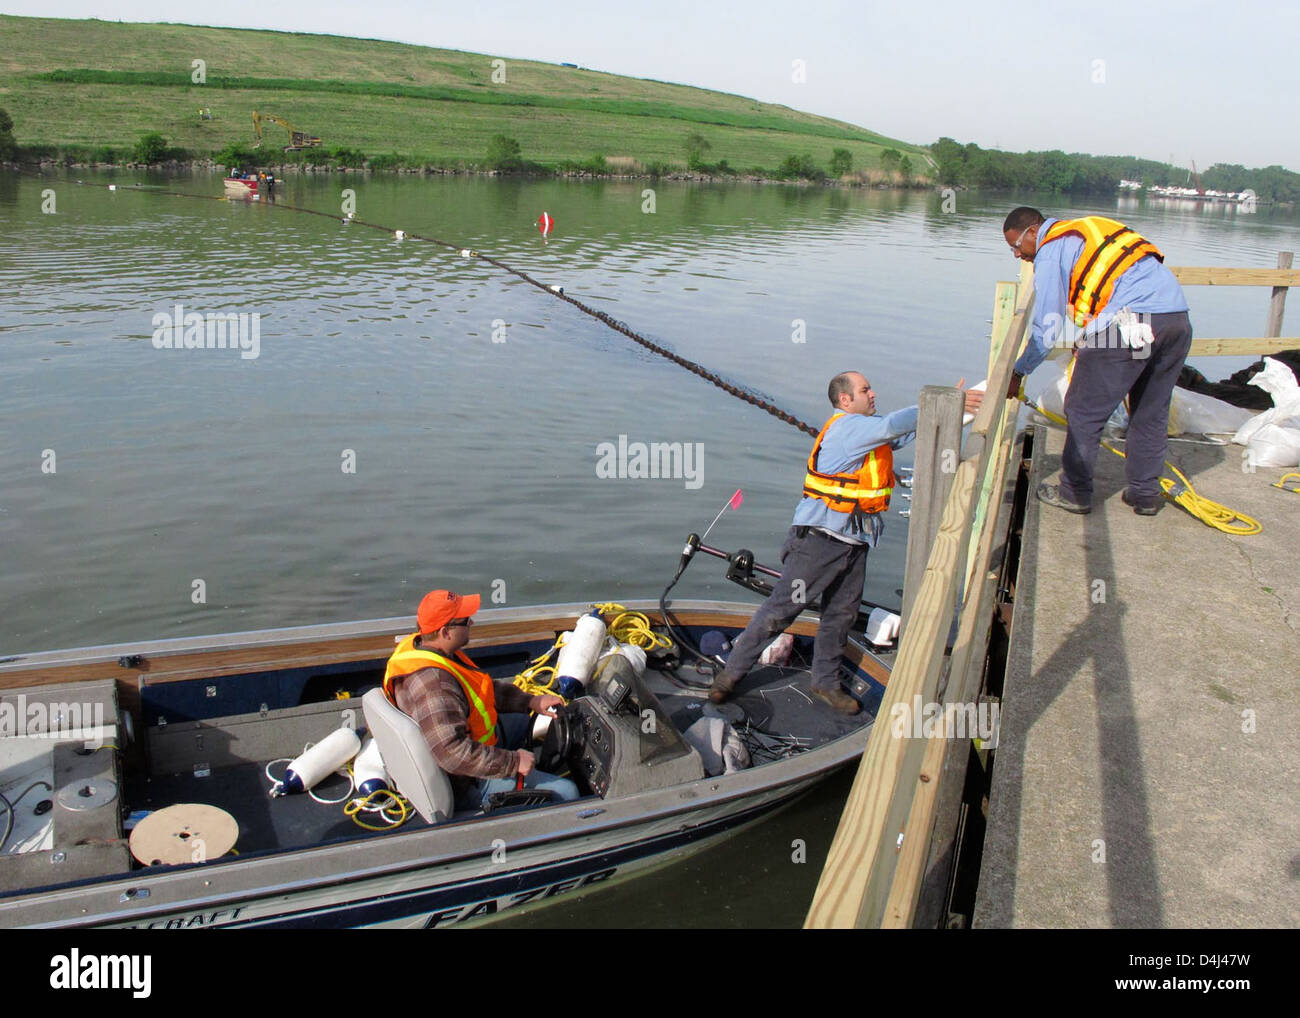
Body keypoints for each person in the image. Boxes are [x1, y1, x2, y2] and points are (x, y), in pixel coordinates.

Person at [708, 372, 983, 714]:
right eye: (865, 390)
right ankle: (728, 678)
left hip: (853, 543)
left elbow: (902, 432)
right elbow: (894, 424)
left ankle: (825, 682)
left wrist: (950, 411)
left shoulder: (865, 431)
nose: (873, 393)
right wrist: (937, 403)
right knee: (779, 612)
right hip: (818, 544)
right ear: (845, 401)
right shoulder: (847, 428)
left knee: (840, 615)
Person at [1002, 207, 1192, 516]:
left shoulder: (1050, 251)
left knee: (1083, 410)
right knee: (1150, 409)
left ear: (1034, 232)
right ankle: (1145, 494)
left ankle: (1074, 493)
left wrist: (1019, 371)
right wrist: (1089, 337)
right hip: (1175, 322)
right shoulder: (1087, 231)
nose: (1016, 254)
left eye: (1016, 246)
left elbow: (1047, 329)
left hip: (1130, 326)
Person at [383, 589, 580, 810]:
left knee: (525, 719)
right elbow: (452, 753)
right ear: (446, 631)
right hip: (468, 782)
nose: (472, 623)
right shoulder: (435, 685)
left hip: (467, 742)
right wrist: (513, 762)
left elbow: (476, 691)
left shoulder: (431, 649)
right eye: (465, 621)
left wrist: (530, 701)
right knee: (567, 792)